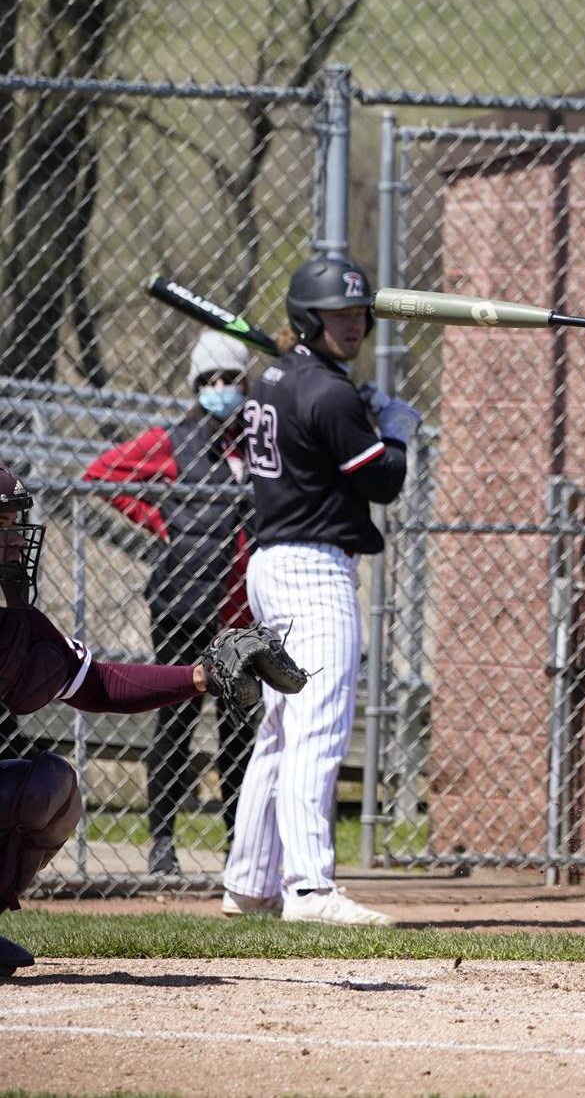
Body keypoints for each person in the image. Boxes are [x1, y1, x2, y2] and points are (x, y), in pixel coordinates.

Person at [0, 461, 304, 975]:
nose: (13, 542)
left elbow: (100, 685)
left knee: (48, 787)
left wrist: (201, 677)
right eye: (1, 526)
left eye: (12, 526)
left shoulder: (17, 626)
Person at [222, 256, 419, 928]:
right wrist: (394, 428)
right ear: (308, 318)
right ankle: (308, 889)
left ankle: (249, 883)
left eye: (359, 313)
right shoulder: (325, 391)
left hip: (273, 559)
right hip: (311, 569)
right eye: (338, 314)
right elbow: (383, 481)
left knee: (280, 728)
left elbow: (320, 429)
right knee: (315, 726)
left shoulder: (273, 377)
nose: (354, 325)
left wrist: (355, 406)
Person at [84, 330, 258, 877]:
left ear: (247, 384)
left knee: (239, 730)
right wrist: (163, 522)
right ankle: (162, 841)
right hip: (184, 602)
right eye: (209, 380)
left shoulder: (260, 444)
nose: (221, 388)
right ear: (196, 387)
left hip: (244, 612)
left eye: (230, 378)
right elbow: (101, 475)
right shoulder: (174, 440)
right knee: (177, 724)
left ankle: (239, 847)